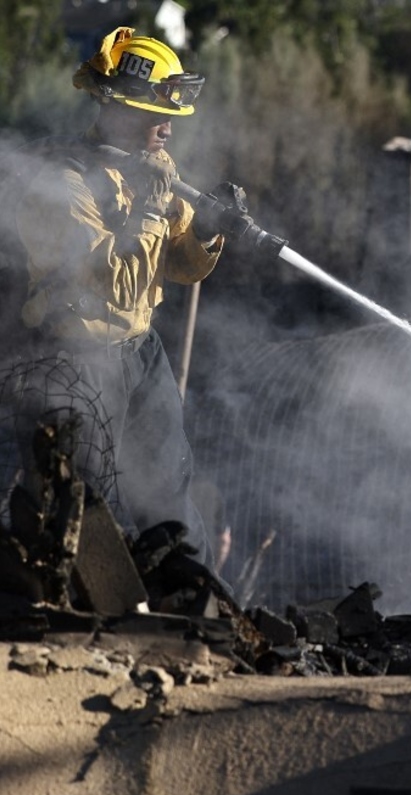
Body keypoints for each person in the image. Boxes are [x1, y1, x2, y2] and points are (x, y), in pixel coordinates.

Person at [5, 28, 251, 567]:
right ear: (114, 109)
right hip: (72, 363)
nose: (165, 127)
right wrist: (146, 210)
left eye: (167, 115)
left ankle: (196, 607)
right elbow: (109, 284)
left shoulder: (153, 170)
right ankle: (75, 620)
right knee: (82, 504)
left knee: (169, 496)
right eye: (151, 114)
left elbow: (181, 266)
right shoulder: (61, 186)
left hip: (138, 353)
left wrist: (209, 230)